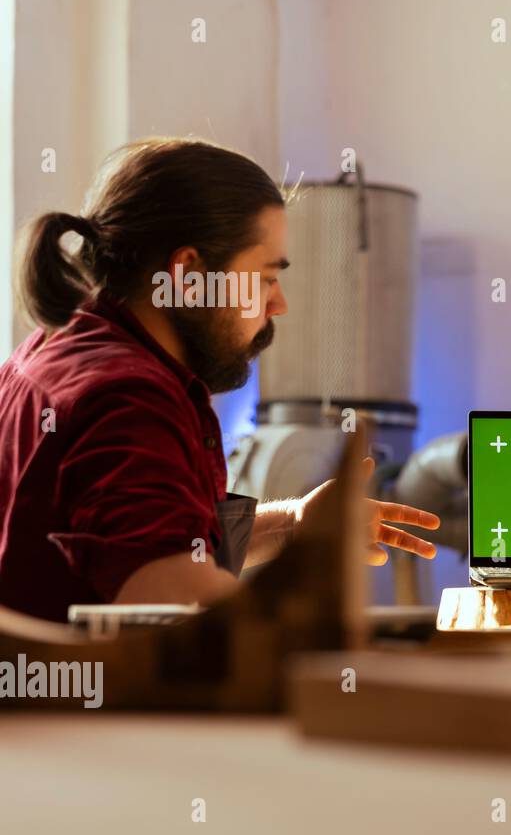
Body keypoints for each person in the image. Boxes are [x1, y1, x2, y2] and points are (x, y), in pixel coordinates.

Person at [0, 137, 438, 622]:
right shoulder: (129, 398)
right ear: (188, 273)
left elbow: (150, 538)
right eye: (266, 276)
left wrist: (293, 526)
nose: (278, 304)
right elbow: (183, 614)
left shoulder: (53, 349)